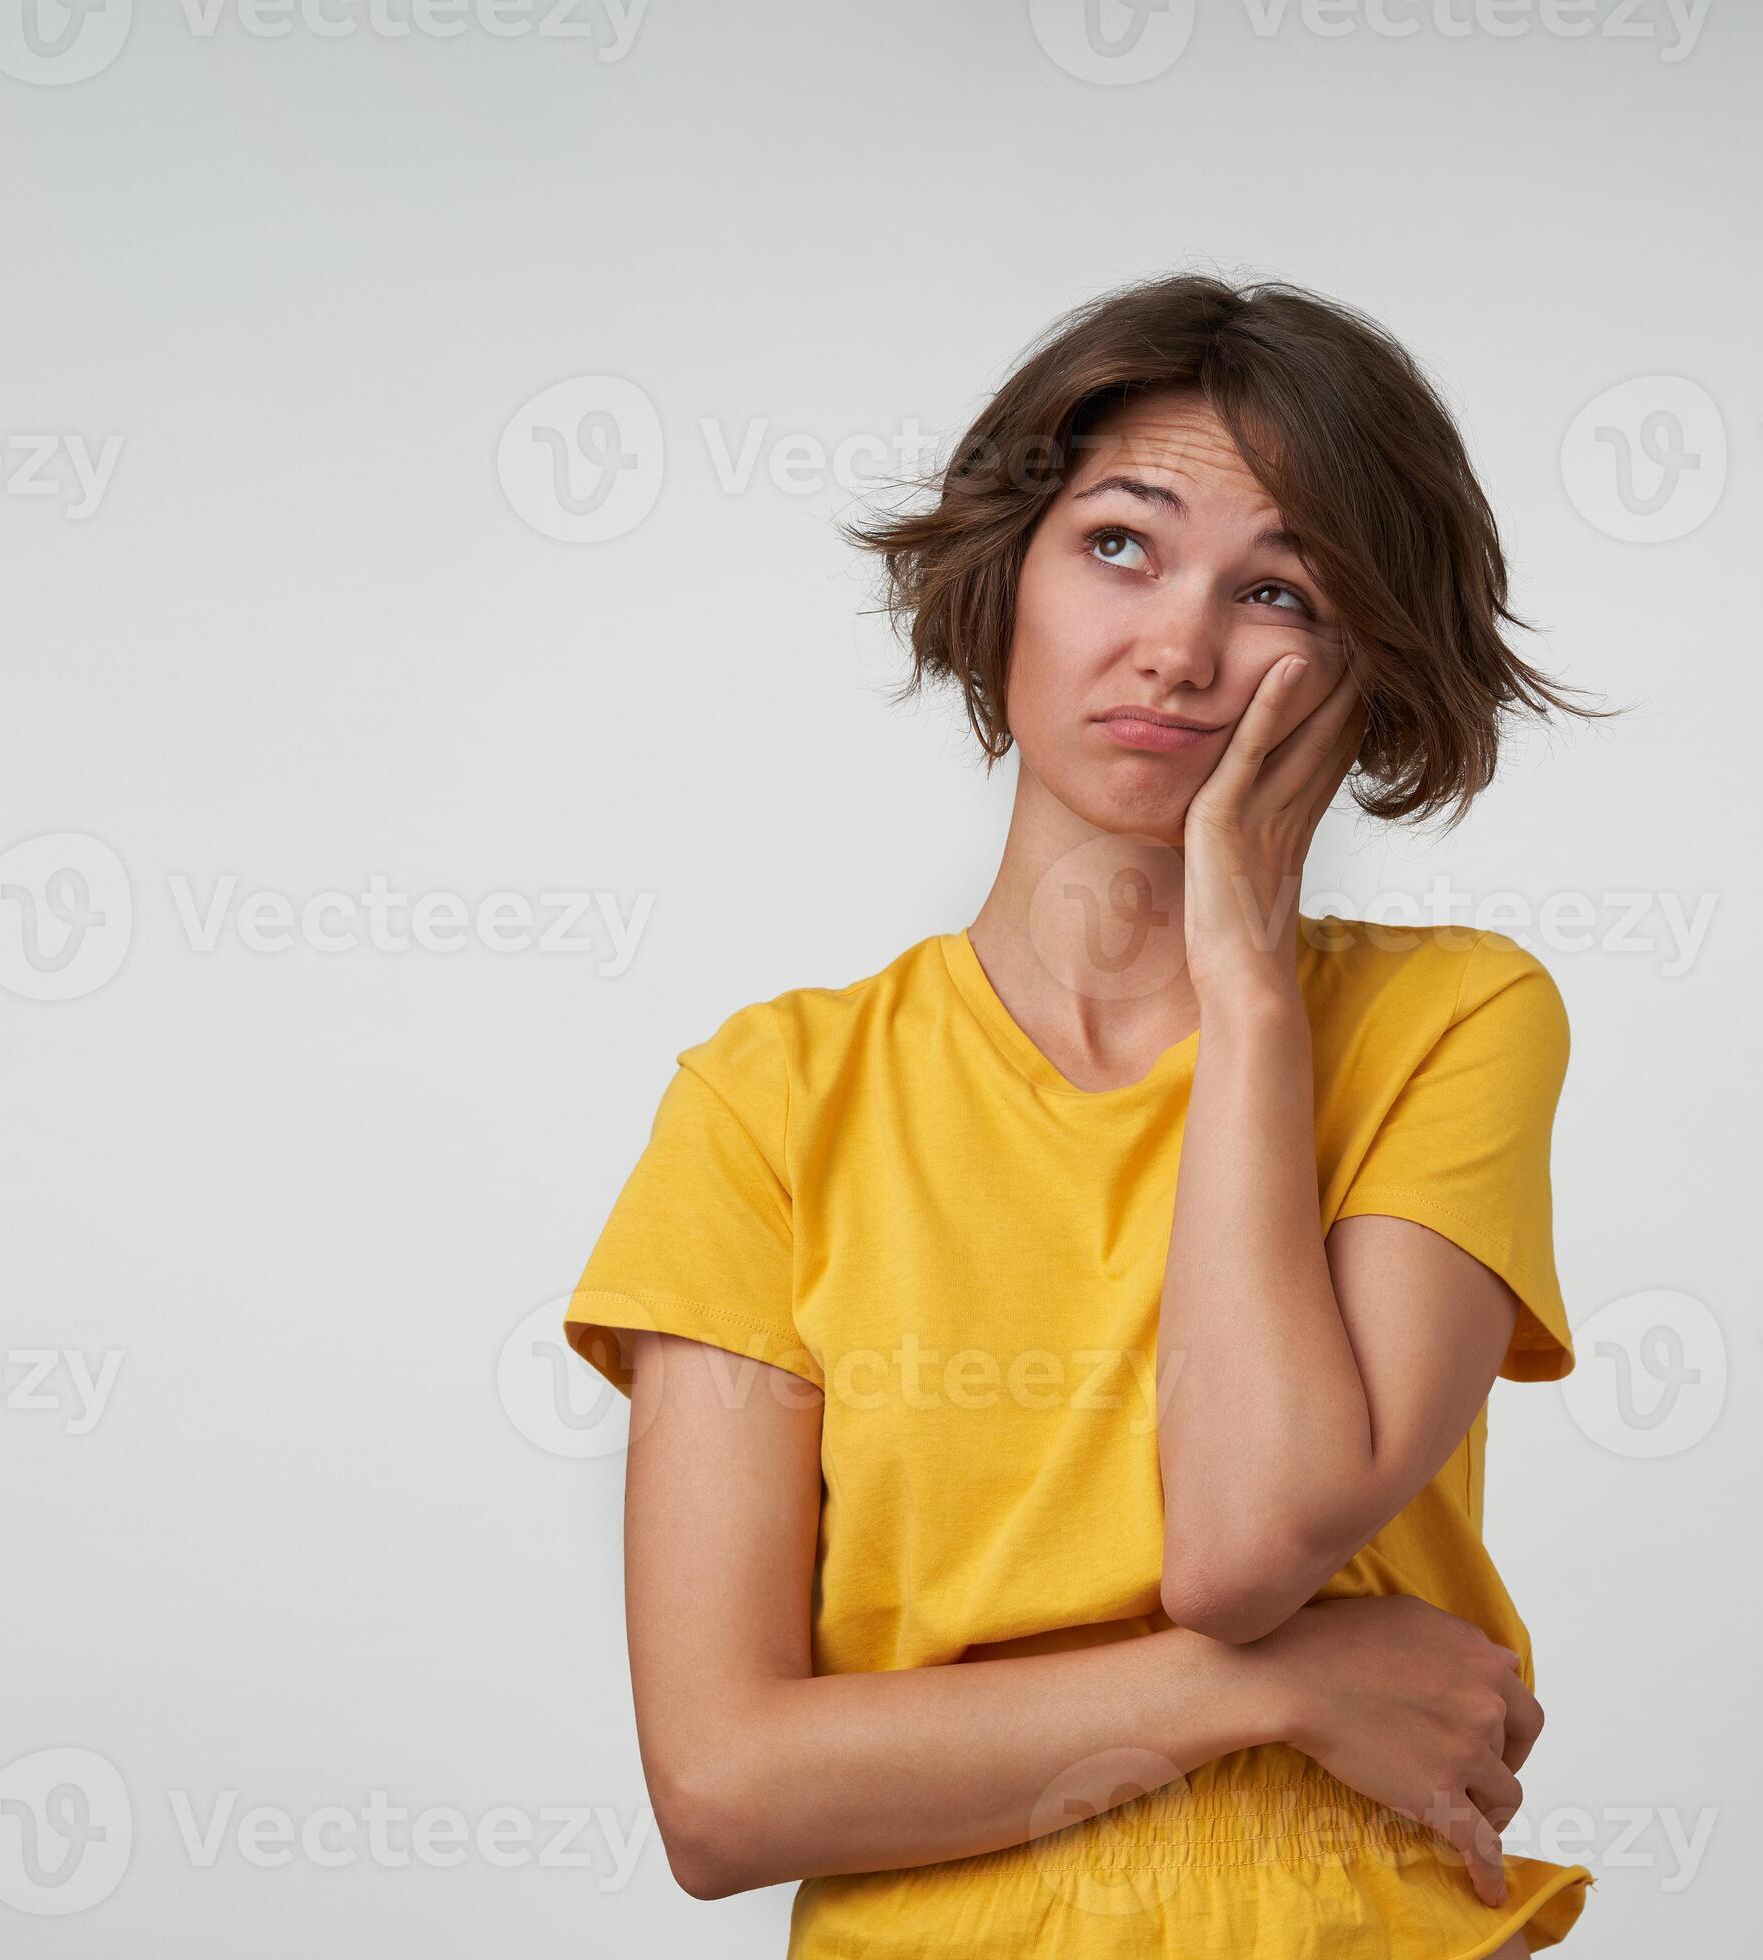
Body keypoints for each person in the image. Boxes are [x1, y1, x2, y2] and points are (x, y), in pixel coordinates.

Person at [560, 270, 1614, 1959]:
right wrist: (1283, 1693)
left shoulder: (1451, 1022)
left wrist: (1250, 986)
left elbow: (1247, 1543)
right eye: (1120, 544)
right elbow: (724, 1789)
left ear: (1370, 667)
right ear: (1008, 580)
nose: (1179, 649)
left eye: (1279, 591)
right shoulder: (771, 1104)